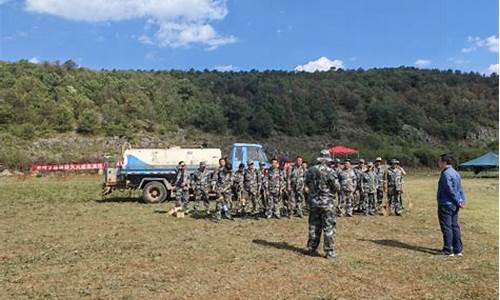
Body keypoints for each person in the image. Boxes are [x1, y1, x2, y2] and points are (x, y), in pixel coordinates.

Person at [305, 149, 340, 260]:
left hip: (314, 202)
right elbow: (337, 187)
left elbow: (306, 185)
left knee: (314, 226)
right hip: (327, 203)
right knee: (328, 227)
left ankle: (311, 248)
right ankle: (329, 252)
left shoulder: (311, 170)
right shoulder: (330, 171)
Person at [436, 154, 465, 256]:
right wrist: (461, 200)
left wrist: (457, 200)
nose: (438, 163)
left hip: (446, 204)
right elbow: (460, 188)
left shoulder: (446, 174)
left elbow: (450, 190)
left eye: (439, 161)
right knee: (454, 226)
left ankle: (448, 250)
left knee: (447, 227)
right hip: (454, 204)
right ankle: (458, 249)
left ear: (444, 162)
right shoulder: (455, 173)